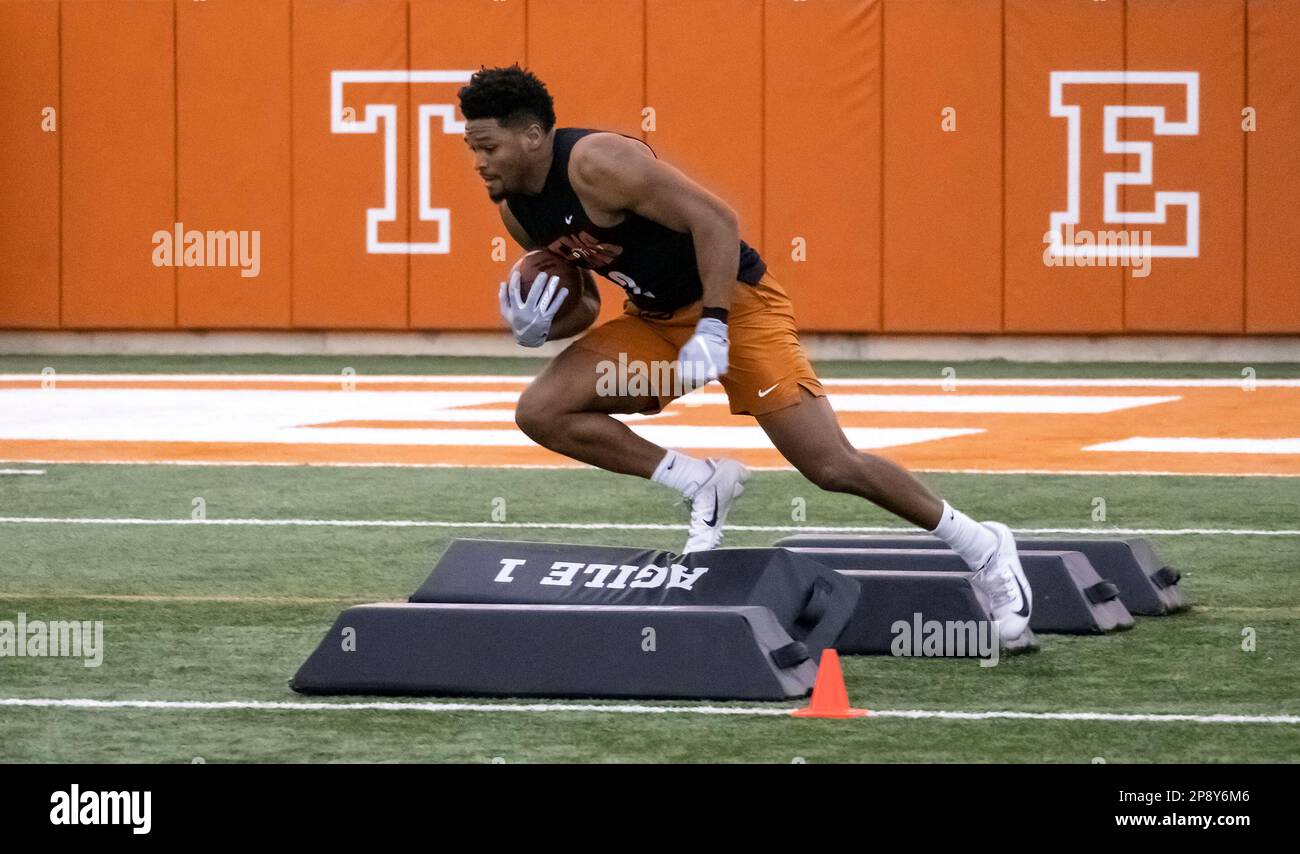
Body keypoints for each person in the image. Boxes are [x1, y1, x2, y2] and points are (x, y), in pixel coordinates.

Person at [459, 65, 1031, 640]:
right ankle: (698, 482)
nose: (479, 161)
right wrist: (539, 326)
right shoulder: (515, 208)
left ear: (532, 136)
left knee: (830, 465)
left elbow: (718, 221)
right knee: (541, 411)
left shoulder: (596, 163)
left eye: (488, 146)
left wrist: (714, 325)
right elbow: (582, 300)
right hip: (656, 322)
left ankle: (980, 544)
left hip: (737, 305)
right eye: (471, 147)